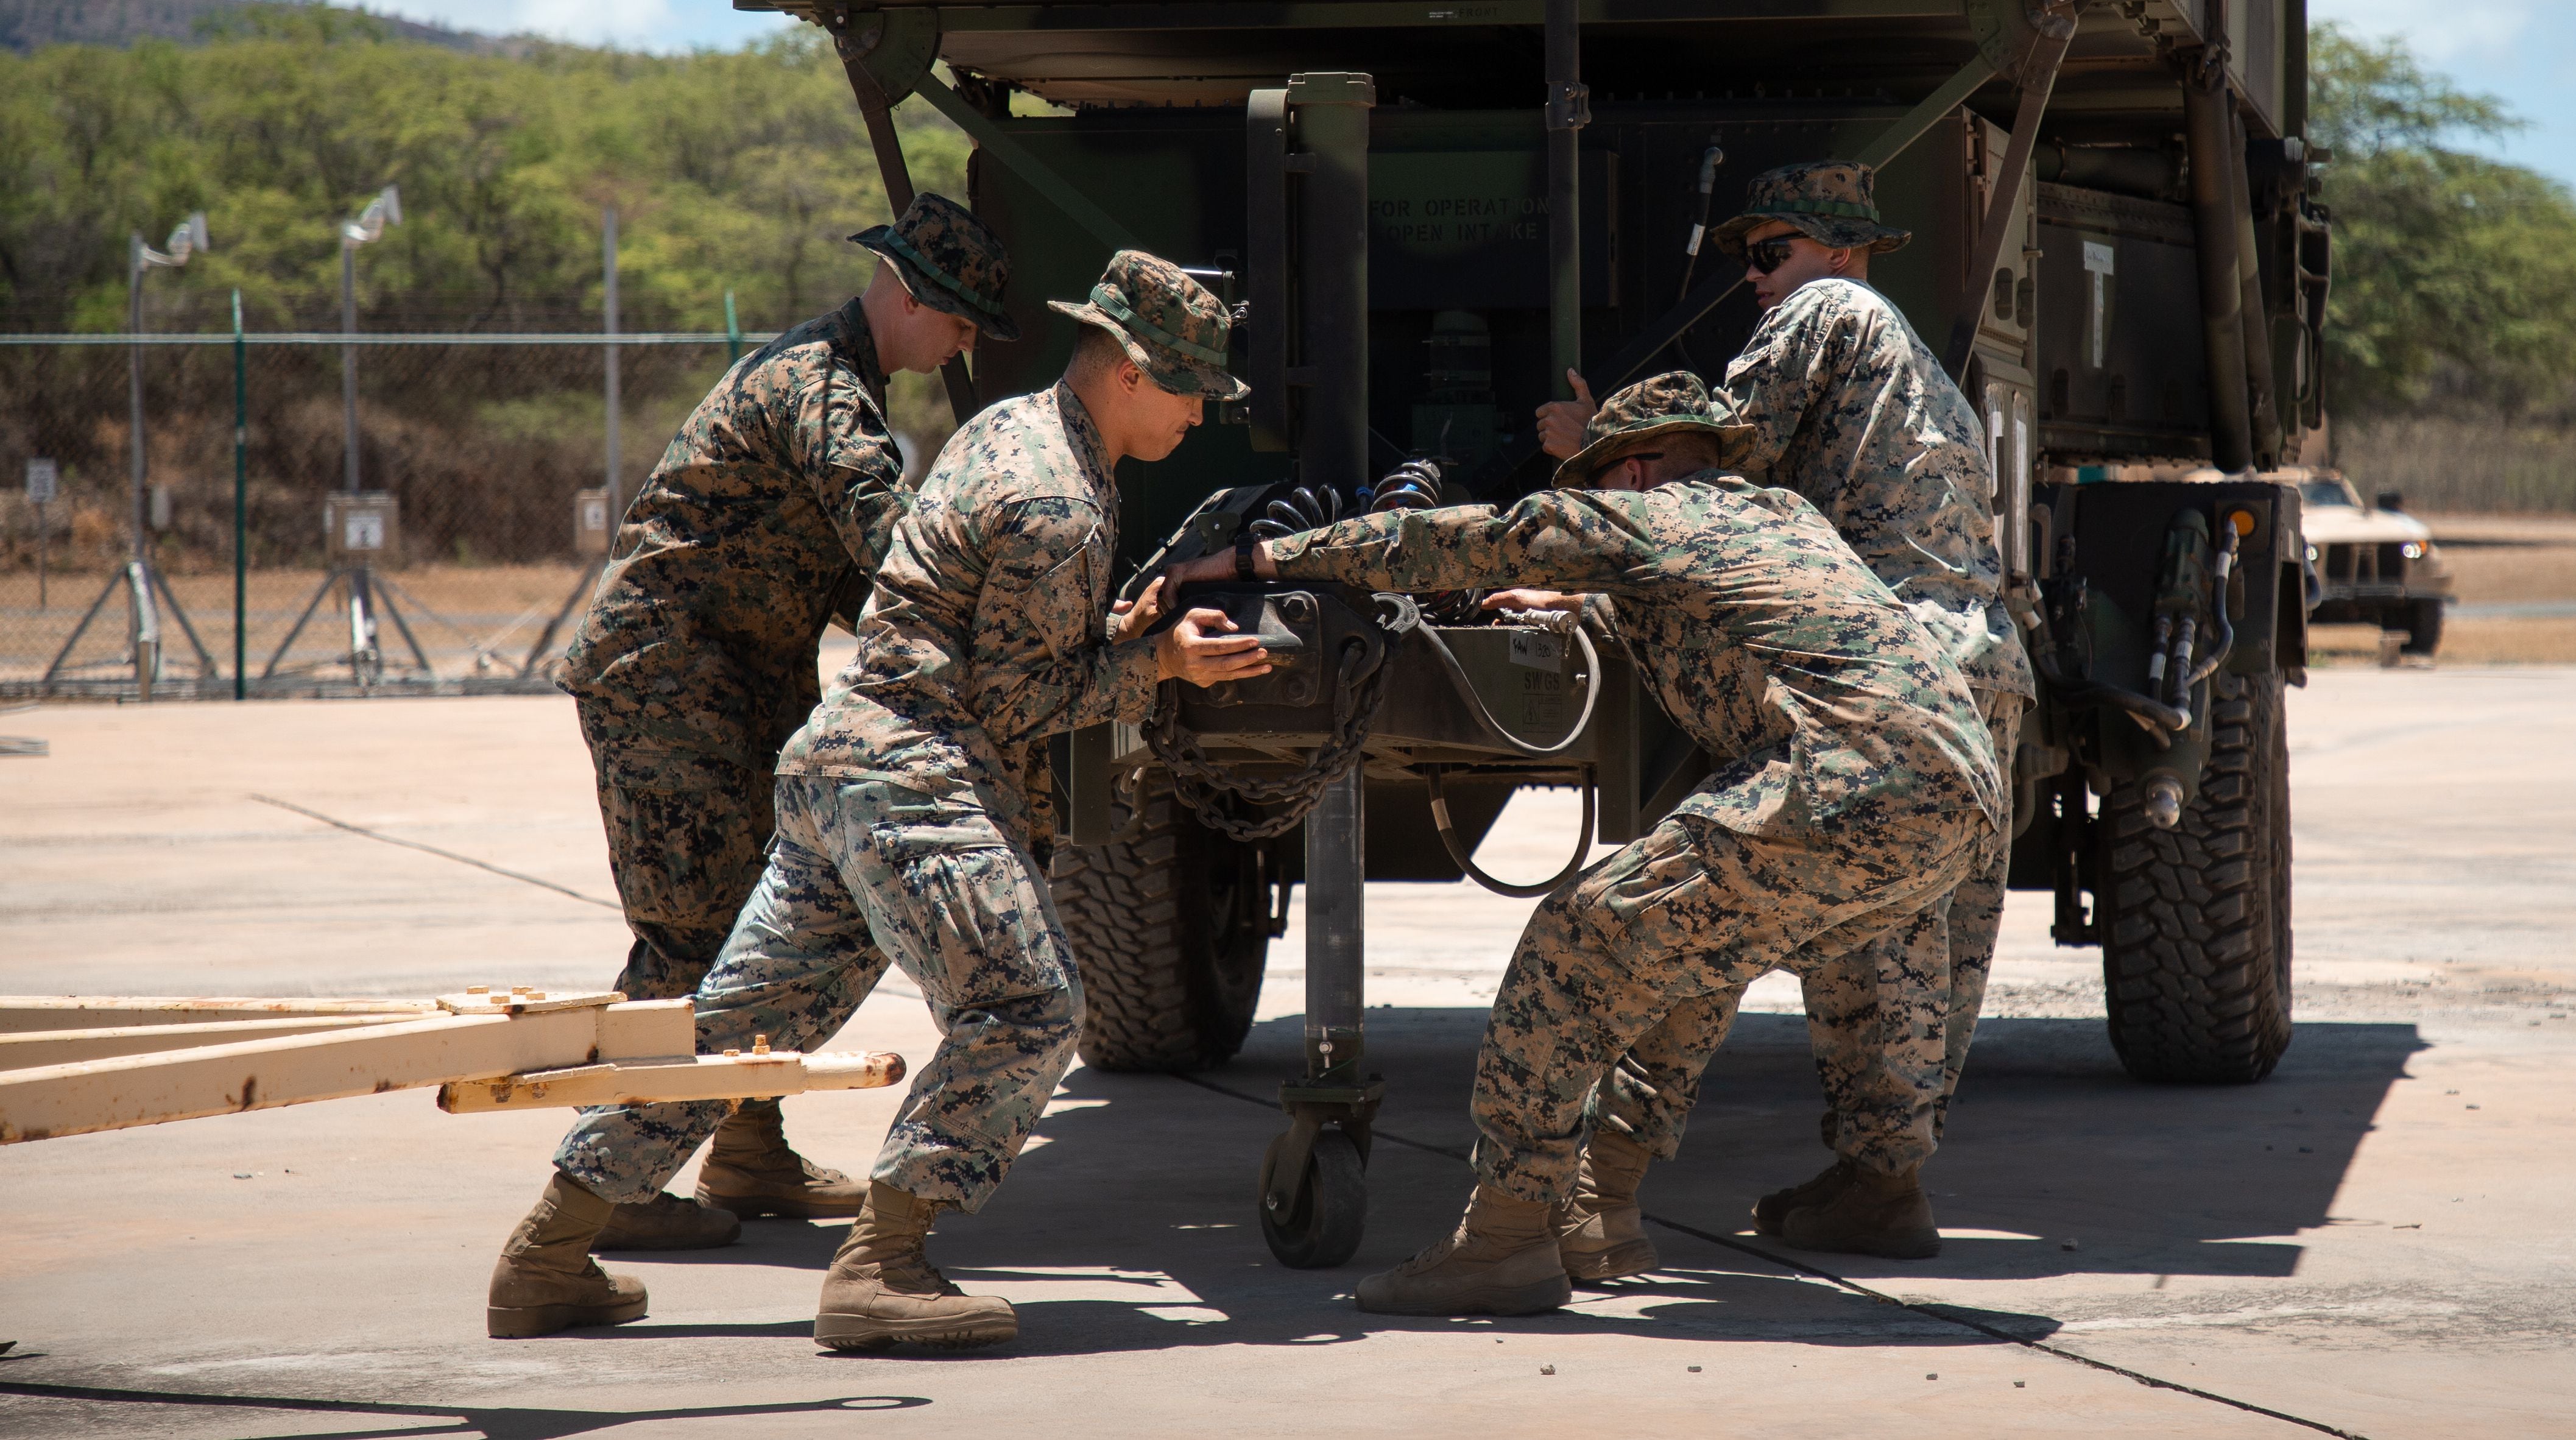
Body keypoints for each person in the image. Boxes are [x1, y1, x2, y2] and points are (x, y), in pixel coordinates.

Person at [489, 250, 1269, 1349]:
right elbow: (1017, 696)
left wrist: (1117, 638)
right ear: (1133, 372)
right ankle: (883, 1268)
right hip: (913, 775)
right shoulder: (1060, 500)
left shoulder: (1011, 426)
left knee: (735, 1031)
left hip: (836, 769)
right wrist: (1165, 669)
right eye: (1193, 388)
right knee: (1029, 1008)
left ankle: (545, 1256)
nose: (1203, 415)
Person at [1174, 372, 2001, 1318]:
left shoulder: (1654, 514)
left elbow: (1460, 537)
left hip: (1850, 777)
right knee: (1691, 954)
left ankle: (1506, 1237)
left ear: (1634, 469)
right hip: (1955, 800)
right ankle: (1627, 1206)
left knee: (1570, 946)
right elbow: (1704, 601)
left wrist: (1259, 557)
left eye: (1593, 487)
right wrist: (1587, 602)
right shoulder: (1776, 516)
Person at [1534, 158, 2033, 1263]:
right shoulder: (1900, 359)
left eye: (1771, 253)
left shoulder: (1827, 310)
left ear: (1838, 253)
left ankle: (1840, 1181)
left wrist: (1595, 458)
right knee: (1924, 944)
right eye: (1752, 261)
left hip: (1893, 667)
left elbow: (1728, 456)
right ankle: (1881, 1180)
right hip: (1975, 660)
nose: (1756, 279)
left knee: (1815, 925)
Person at [551, 190, 1011, 1249]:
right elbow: (887, 538)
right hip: (668, 686)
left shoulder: (835, 380)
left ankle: (748, 1152)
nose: (960, 347)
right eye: (956, 321)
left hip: (733, 684)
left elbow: (855, 582)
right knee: (686, 934)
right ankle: (607, 1184)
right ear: (901, 295)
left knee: (754, 929)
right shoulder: (821, 392)